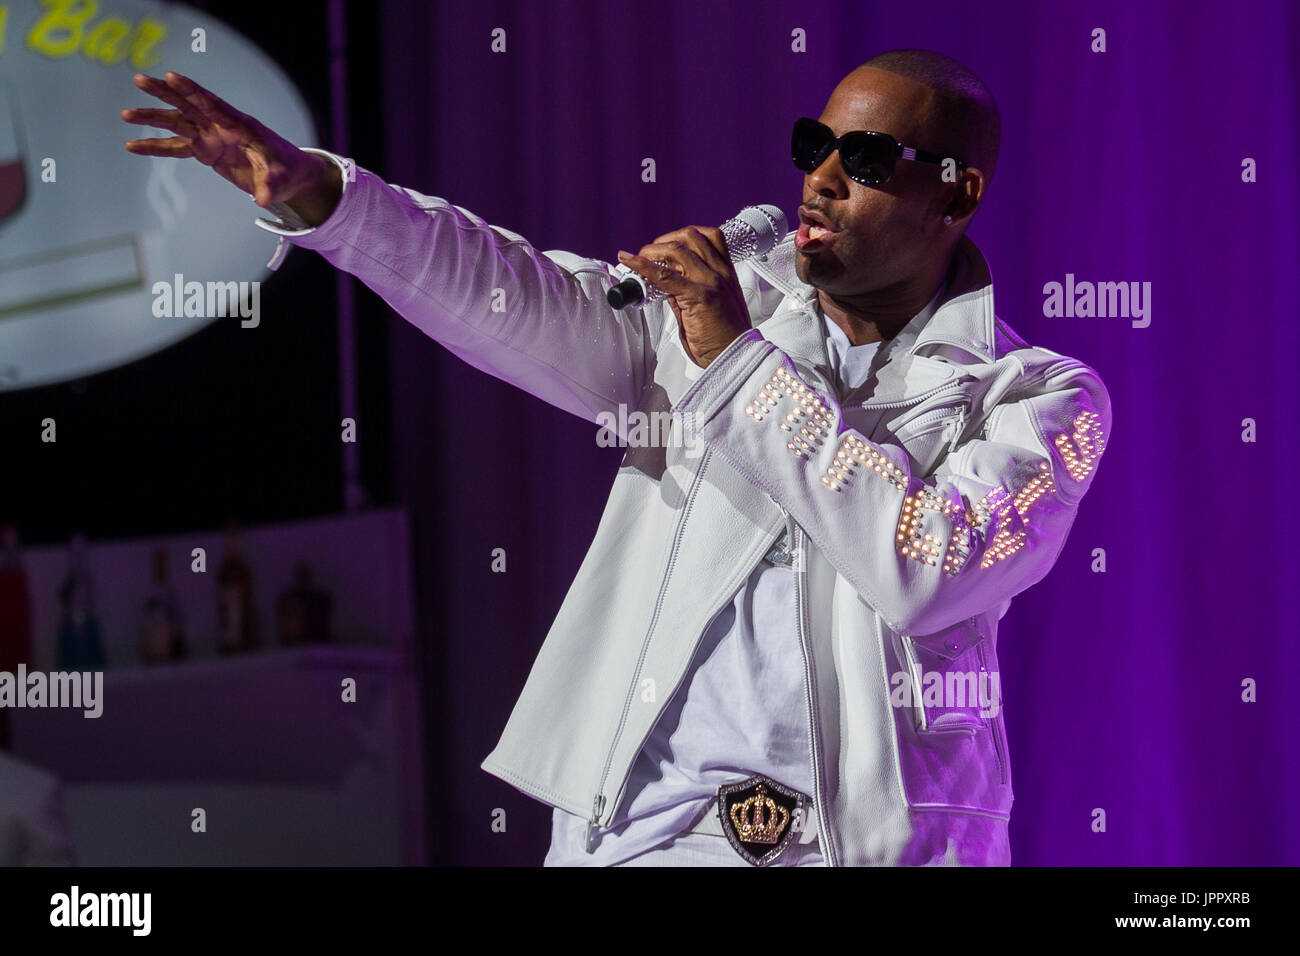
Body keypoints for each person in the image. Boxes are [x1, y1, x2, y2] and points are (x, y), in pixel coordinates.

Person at [121, 48, 1111, 866]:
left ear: (958, 190)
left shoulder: (1036, 396)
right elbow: (507, 288)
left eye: (867, 155)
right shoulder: (703, 321)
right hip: (649, 830)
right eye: (816, 145)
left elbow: (928, 568)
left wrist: (733, 361)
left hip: (871, 847)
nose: (822, 175)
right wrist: (328, 200)